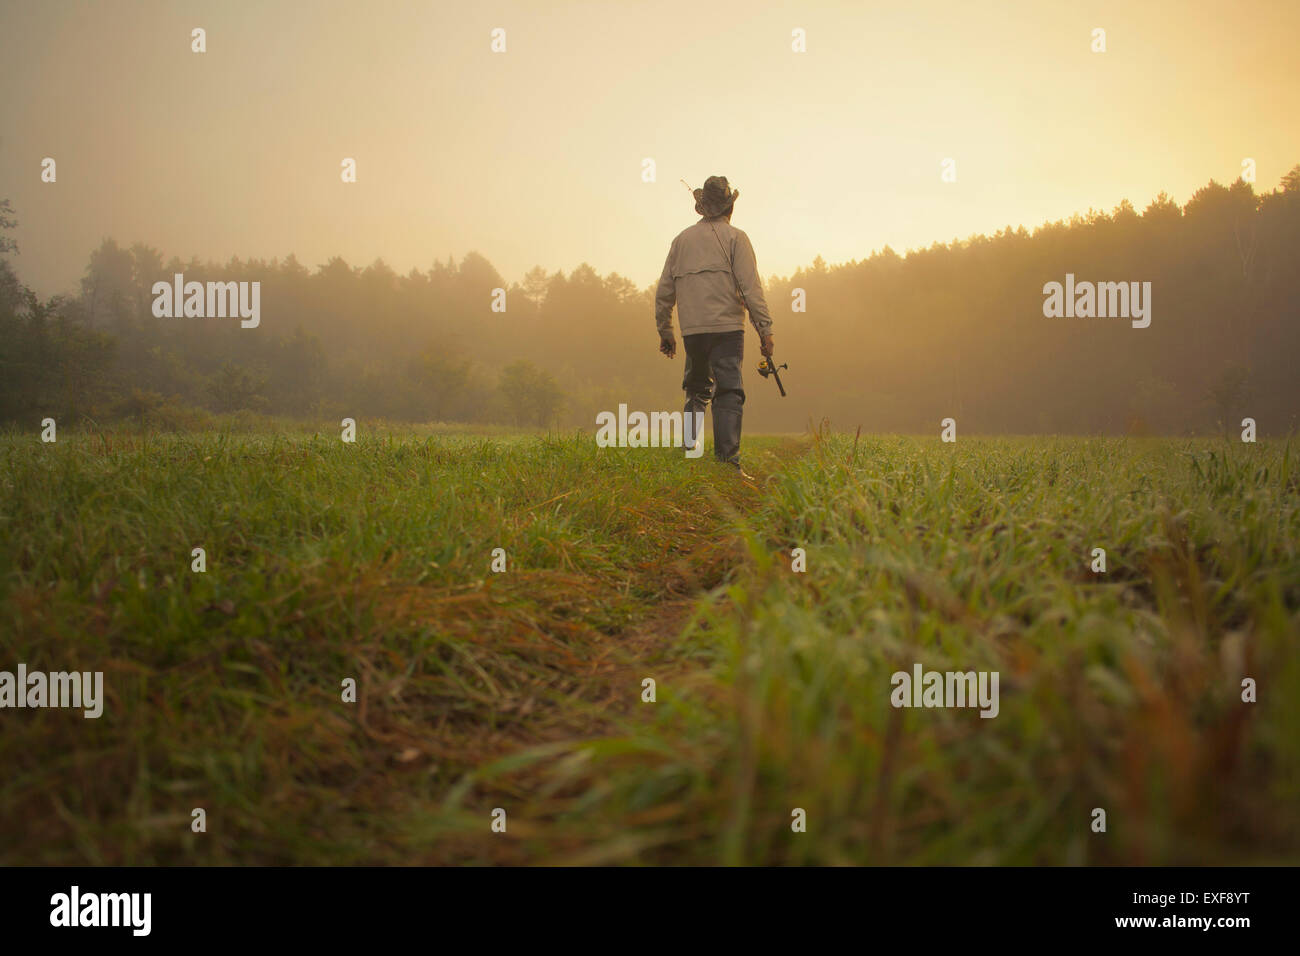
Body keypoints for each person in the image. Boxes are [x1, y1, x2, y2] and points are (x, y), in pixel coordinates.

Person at [654, 175, 775, 477]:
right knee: (729, 391)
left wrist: (666, 330)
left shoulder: (681, 240)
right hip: (728, 329)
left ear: (702, 207)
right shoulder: (737, 238)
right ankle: (728, 464)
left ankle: (690, 456)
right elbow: (750, 289)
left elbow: (665, 290)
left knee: (696, 389)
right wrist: (765, 330)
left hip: (692, 330)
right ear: (729, 207)